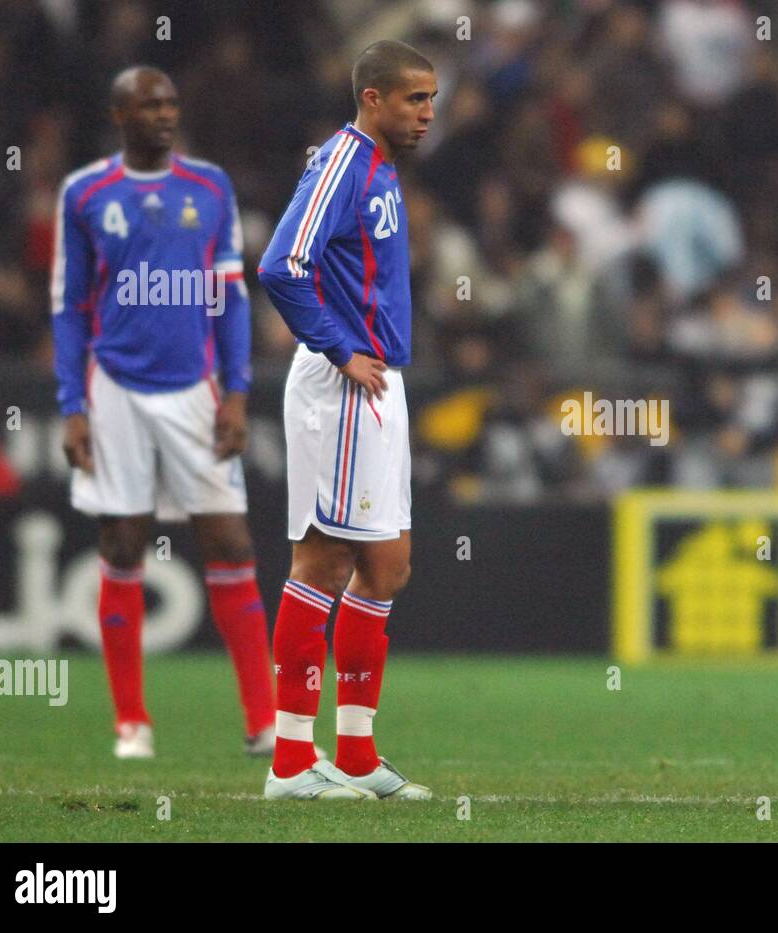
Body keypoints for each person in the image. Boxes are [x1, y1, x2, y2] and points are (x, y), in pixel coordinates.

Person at [52, 67, 275, 759]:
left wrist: (236, 390)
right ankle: (131, 722)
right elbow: (70, 305)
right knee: (121, 545)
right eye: (149, 105)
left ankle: (263, 721)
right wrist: (71, 404)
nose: (165, 114)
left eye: (172, 102)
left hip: (194, 389)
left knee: (232, 542)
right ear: (120, 113)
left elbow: (231, 296)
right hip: (114, 385)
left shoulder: (210, 186)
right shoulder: (85, 192)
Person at [256, 40, 436, 800]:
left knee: (388, 565)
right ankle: (291, 763)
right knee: (323, 563)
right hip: (343, 384)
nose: (428, 113)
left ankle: (355, 753)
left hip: (380, 383)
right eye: (414, 100)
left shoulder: (379, 167)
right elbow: (278, 264)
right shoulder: (342, 162)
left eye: (431, 98)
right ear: (372, 99)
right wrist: (336, 347)